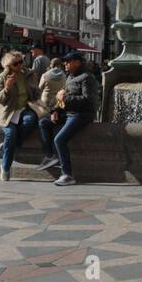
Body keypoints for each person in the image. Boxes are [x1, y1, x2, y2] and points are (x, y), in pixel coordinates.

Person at [38, 51, 98, 185]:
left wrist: (66, 98)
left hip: (81, 115)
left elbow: (89, 101)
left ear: (77, 62)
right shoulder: (70, 77)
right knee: (44, 122)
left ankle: (67, 174)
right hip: (68, 112)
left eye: (68, 61)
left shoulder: (87, 77)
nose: (65, 64)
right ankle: (50, 155)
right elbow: (62, 98)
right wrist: (55, 110)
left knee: (59, 139)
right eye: (64, 61)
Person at [0, 51, 39, 180]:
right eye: (15, 63)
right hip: (8, 112)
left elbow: (36, 94)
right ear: (8, 65)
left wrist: (34, 85)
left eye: (21, 62)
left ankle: (9, 146)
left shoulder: (28, 75)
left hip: (24, 109)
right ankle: (5, 168)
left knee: (31, 119)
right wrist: (7, 88)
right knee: (10, 133)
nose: (19, 65)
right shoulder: (2, 78)